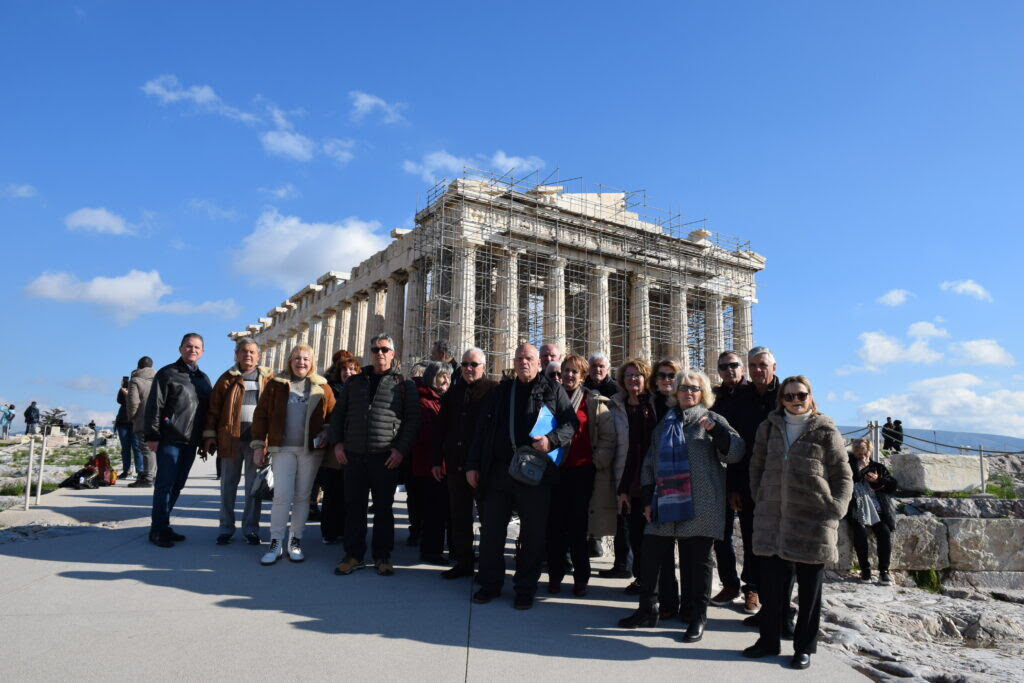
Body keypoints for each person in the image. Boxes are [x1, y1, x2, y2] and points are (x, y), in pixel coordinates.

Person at [618, 370, 744, 643]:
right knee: (651, 558)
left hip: (703, 504)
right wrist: (650, 497)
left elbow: (735, 452)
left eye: (694, 389)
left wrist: (719, 432)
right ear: (675, 392)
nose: (688, 392)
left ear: (703, 394)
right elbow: (650, 463)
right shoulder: (665, 423)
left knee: (698, 564)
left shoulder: (712, 420)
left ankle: (697, 617)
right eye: (684, 388)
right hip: (665, 501)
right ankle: (647, 610)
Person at [743, 375, 853, 670]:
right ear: (781, 399)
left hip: (812, 521)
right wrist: (761, 496)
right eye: (789, 396)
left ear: (810, 396)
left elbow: (842, 473)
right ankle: (768, 640)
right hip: (773, 519)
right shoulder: (768, 427)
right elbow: (757, 465)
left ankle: (804, 647)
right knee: (772, 586)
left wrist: (837, 507)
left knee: (809, 591)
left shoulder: (825, 429)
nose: (795, 400)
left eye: (800, 395)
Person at [466, 343, 578, 610]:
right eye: (519, 359)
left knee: (533, 534)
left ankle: (525, 588)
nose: (523, 363)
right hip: (500, 471)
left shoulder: (553, 389)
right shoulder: (502, 391)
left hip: (535, 474)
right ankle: (490, 583)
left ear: (538, 363)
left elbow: (571, 423)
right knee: (492, 530)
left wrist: (551, 441)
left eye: (528, 358)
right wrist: (472, 464)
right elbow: (481, 430)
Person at [331, 333, 420, 577]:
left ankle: (382, 556)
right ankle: (353, 555)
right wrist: (338, 444)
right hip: (354, 454)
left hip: (385, 455)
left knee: (383, 508)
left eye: (384, 349)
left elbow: (412, 420)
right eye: (375, 349)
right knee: (354, 508)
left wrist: (400, 449)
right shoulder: (355, 382)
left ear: (393, 353)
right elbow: (339, 415)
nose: (379, 353)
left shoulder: (404, 383)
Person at [250, 343, 335, 565]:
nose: (301, 362)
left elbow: (333, 417)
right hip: (282, 448)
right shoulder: (276, 385)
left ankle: (295, 540)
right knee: (281, 496)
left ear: (312, 362)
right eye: (297, 358)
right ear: (290, 360)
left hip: (310, 451)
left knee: (302, 497)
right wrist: (259, 445)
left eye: (306, 359)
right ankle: (276, 541)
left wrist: (327, 433)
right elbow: (261, 416)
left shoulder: (322, 386)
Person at [546, 353, 617, 596]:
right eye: (566, 370)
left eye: (575, 371)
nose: (569, 375)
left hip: (582, 471)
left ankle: (581, 577)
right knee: (555, 527)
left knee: (578, 528)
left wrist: (596, 461)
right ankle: (555, 575)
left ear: (582, 376)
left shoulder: (593, 401)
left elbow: (608, 436)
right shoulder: (549, 398)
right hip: (554, 471)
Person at [612, 359, 679, 616]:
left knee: (659, 542)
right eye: (629, 376)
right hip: (640, 481)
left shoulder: (658, 405)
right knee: (642, 538)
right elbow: (634, 450)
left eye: (638, 375)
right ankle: (651, 593)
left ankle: (665, 599)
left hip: (666, 480)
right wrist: (624, 487)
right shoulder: (638, 407)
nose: (633, 380)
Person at [721, 345, 781, 619]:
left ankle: (768, 599)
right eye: (754, 365)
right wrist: (734, 485)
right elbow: (736, 443)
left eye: (762, 365)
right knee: (745, 535)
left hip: (777, 480)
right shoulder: (740, 397)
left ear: (773, 368)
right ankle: (748, 588)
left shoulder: (786, 395)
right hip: (744, 477)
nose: (758, 370)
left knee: (769, 541)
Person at [432, 347, 498, 579]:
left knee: (488, 520)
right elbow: (441, 428)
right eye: (465, 365)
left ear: (484, 367)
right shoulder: (454, 391)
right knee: (459, 517)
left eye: (474, 365)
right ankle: (463, 562)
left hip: (483, 467)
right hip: (455, 464)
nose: (468, 369)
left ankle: (488, 567)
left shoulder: (494, 391)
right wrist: (436, 460)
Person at [143, 333, 213, 548]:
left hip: (191, 441)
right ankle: (157, 529)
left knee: (178, 485)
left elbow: (207, 411)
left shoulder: (203, 379)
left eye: (197, 347)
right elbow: (154, 405)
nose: (193, 350)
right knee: (164, 484)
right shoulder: (167, 373)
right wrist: (152, 435)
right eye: (189, 346)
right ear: (180, 348)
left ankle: (163, 525)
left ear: (202, 351)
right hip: (170, 438)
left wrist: (206, 438)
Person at [203, 338, 273, 546]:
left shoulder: (268, 379)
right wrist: (209, 436)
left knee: (254, 487)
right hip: (230, 439)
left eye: (252, 352)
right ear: (236, 354)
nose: (248, 355)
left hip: (256, 442)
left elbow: (276, 410)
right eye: (243, 351)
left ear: (258, 356)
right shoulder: (226, 379)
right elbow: (213, 409)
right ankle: (226, 528)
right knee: (228, 486)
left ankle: (251, 529)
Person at [709, 350, 755, 609]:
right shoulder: (715, 397)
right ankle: (730, 584)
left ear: (742, 368)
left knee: (750, 534)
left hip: (747, 474)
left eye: (734, 365)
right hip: (721, 473)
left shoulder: (752, 395)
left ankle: (752, 588)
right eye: (724, 367)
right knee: (720, 534)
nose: (729, 370)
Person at [408, 362, 452, 565]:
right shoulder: (422, 400)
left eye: (449, 378)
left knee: (442, 509)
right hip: (429, 464)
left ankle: (445, 548)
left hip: (441, 463)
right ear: (432, 378)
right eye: (442, 376)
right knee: (433, 510)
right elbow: (426, 434)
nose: (446, 381)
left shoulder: (442, 399)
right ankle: (430, 550)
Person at [318, 350, 360, 544]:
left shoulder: (361, 390)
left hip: (354, 446)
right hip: (333, 447)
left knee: (349, 491)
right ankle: (329, 531)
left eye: (352, 369)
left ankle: (345, 530)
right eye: (344, 369)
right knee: (332, 490)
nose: (348, 372)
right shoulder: (329, 389)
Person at [846, 437, 897, 585]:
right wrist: (860, 470)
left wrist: (878, 480)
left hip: (878, 509)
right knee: (860, 533)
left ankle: (884, 571)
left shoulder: (878, 467)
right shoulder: (849, 466)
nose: (862, 456)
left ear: (870, 452)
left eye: (865, 453)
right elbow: (846, 481)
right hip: (857, 508)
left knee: (884, 532)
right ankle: (865, 570)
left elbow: (892, 486)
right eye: (859, 453)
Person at [125, 357, 156, 488]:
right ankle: (152, 475)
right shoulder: (158, 379)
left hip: (142, 419)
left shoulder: (136, 380)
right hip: (157, 419)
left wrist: (132, 417)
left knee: (145, 448)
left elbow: (133, 402)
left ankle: (148, 478)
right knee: (154, 449)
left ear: (138, 366)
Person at [115, 373, 143, 478]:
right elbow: (119, 401)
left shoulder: (142, 386)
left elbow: (140, 403)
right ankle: (126, 470)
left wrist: (128, 395)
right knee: (125, 448)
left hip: (135, 421)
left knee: (137, 447)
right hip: (123, 421)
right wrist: (122, 390)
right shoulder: (125, 388)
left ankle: (140, 471)